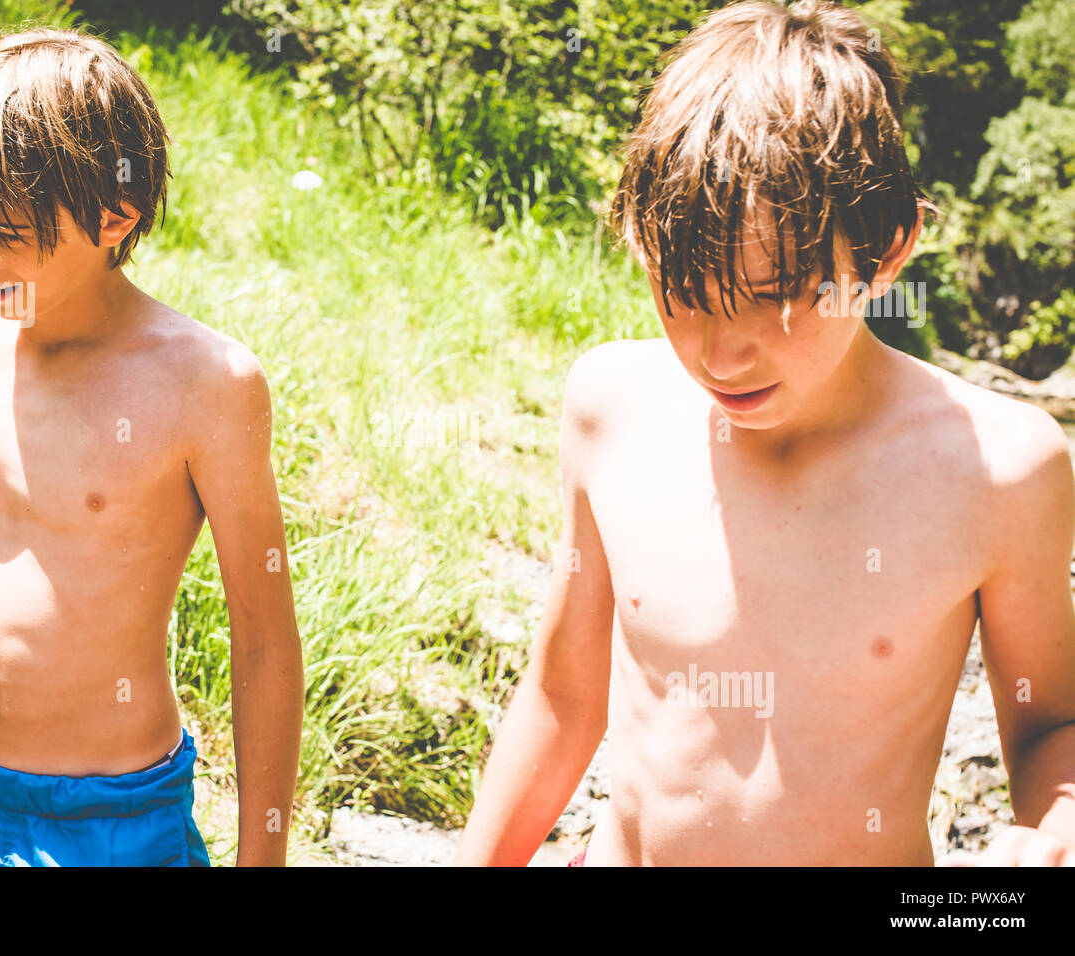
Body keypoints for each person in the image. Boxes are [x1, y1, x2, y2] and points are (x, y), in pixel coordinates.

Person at [456, 0, 1075, 866]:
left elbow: (1050, 722)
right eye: (682, 294)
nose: (721, 352)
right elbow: (562, 698)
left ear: (888, 250)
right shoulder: (611, 405)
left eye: (770, 296)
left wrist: (1057, 827)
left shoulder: (1001, 466)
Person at [0, 28, 303, 867]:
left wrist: (264, 858)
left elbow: (263, 639)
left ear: (115, 216)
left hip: (116, 821)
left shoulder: (206, 383)